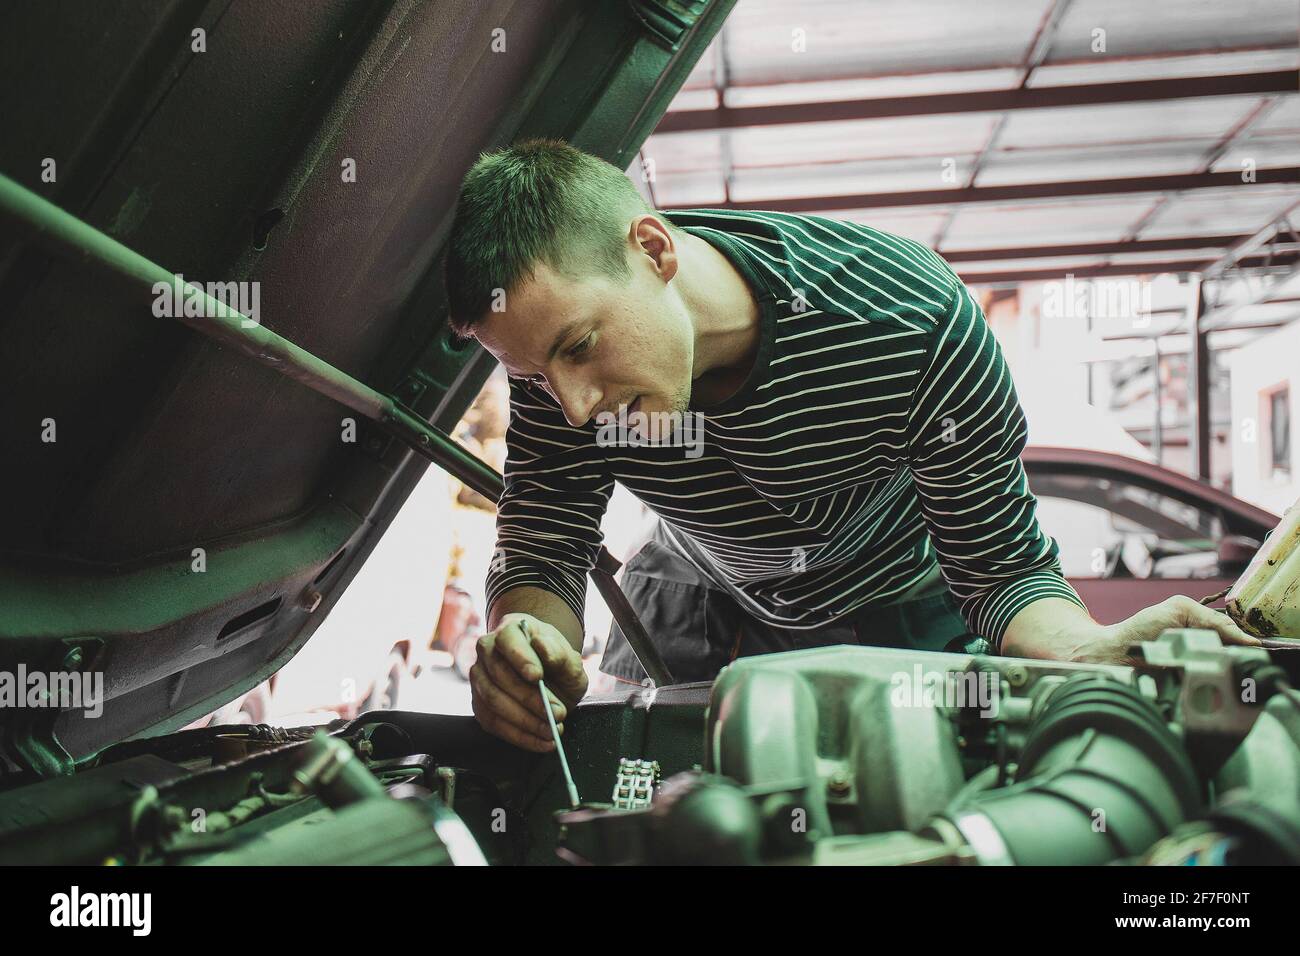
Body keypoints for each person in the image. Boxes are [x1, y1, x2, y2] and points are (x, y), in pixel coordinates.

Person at [442, 138, 1260, 753]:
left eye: (581, 348)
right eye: (536, 375)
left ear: (653, 249)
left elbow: (1001, 568)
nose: (577, 409)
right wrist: (526, 639)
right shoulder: (555, 355)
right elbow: (545, 535)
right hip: (702, 602)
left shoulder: (909, 321)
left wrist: (1088, 650)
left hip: (900, 602)